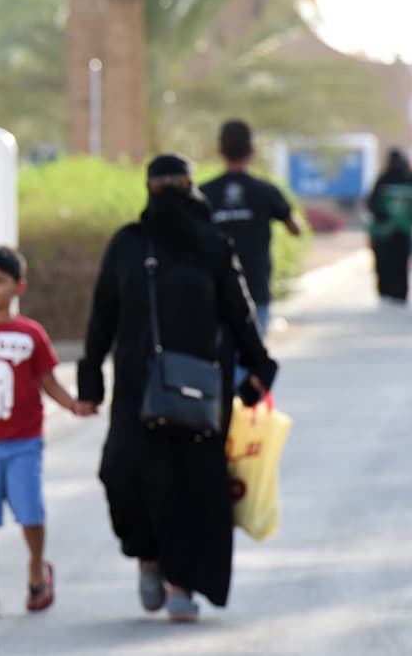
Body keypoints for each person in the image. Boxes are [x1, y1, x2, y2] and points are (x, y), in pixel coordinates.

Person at [76, 154, 278, 623]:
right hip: (135, 386)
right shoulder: (128, 243)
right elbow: (102, 314)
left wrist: (259, 368)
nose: (166, 190)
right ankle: (148, 557)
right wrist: (90, 381)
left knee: (193, 485)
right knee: (122, 473)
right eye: (159, 183)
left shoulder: (213, 246)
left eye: (174, 183)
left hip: (201, 390)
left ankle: (183, 584)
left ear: (190, 187)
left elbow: (239, 313)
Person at [0, 245, 79, 617]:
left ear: (19, 287)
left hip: (25, 443)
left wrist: (74, 404)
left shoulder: (31, 333)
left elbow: (49, 381)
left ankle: (36, 567)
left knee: (30, 512)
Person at [199, 119, 302, 336]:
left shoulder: (204, 194)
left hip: (213, 291)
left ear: (220, 150)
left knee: (220, 360)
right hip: (255, 288)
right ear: (251, 150)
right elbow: (295, 228)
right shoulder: (266, 191)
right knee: (252, 361)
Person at [366, 149, 412, 306]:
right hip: (402, 231)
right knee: (401, 263)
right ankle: (401, 293)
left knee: (385, 263)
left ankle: (386, 292)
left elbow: (372, 204)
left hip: (384, 231)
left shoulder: (383, 179)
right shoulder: (408, 179)